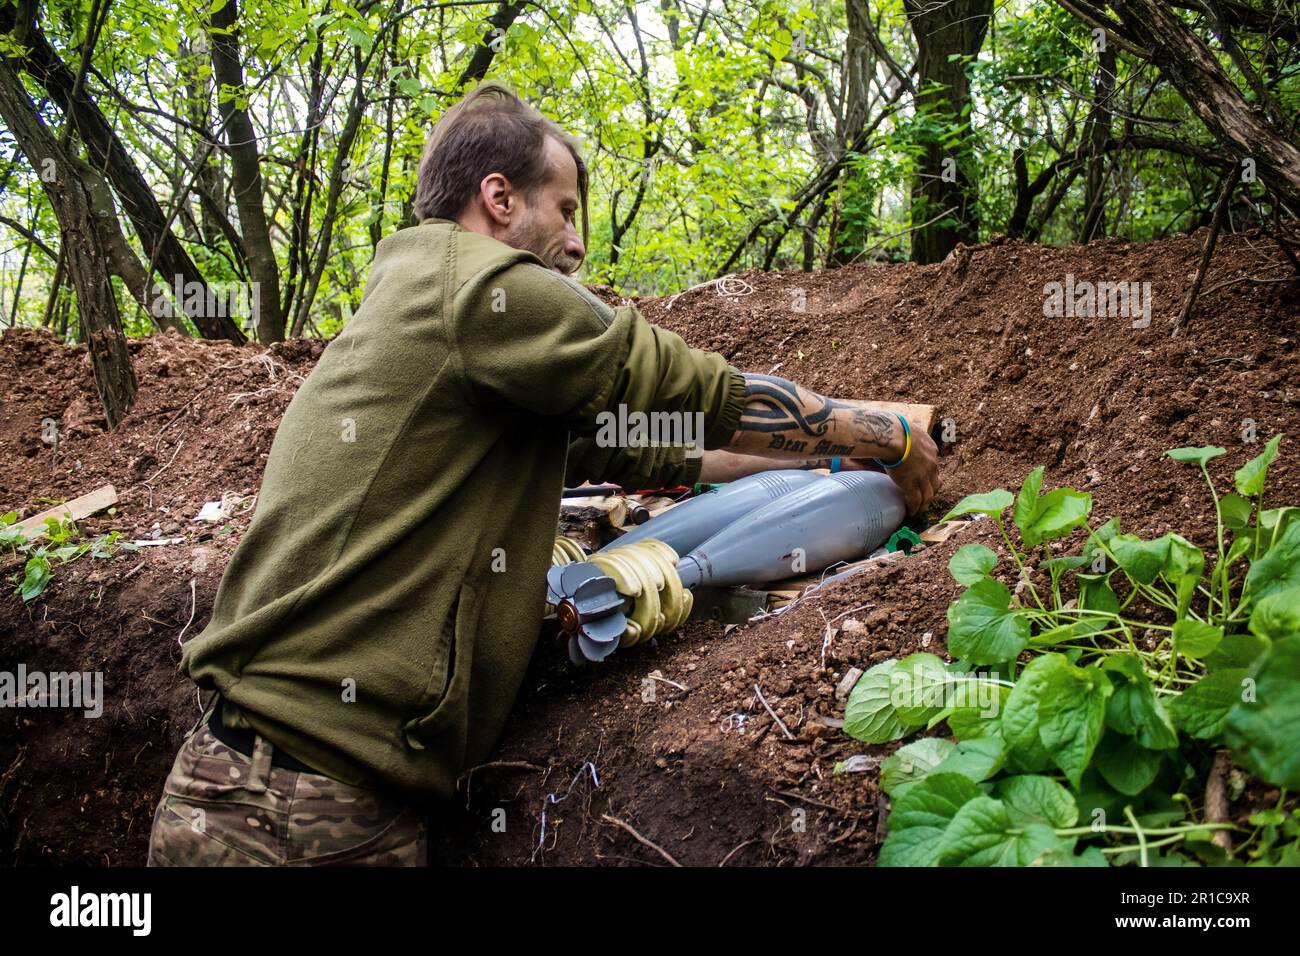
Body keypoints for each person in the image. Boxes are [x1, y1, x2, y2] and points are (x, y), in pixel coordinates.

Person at [146, 82, 940, 866]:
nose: (579, 241)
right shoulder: (481, 290)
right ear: (498, 198)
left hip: (263, 788)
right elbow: (688, 390)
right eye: (564, 209)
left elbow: (655, 442)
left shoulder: (438, 313)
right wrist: (891, 433)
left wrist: (845, 451)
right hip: (295, 809)